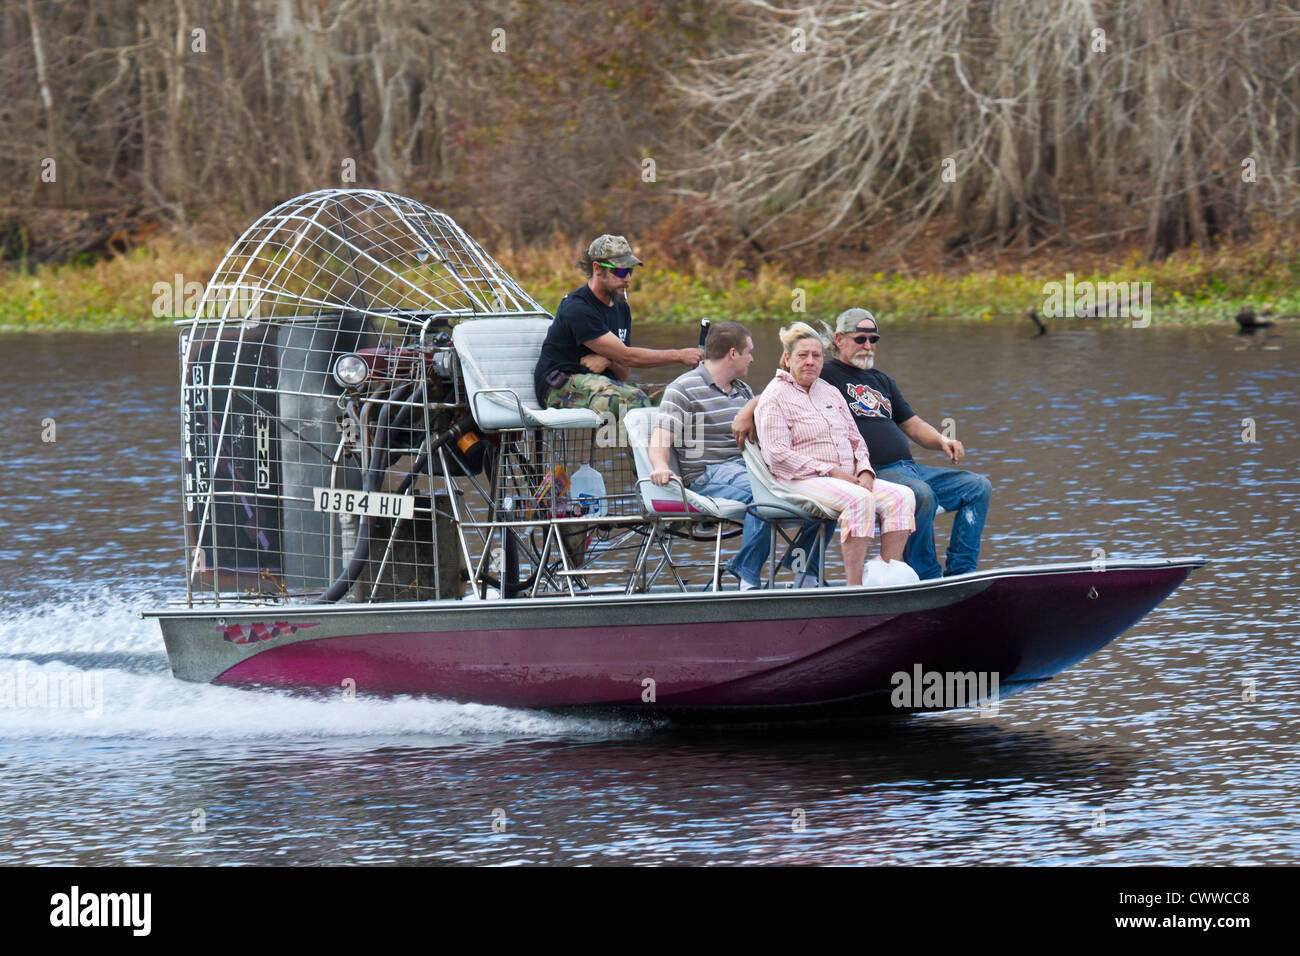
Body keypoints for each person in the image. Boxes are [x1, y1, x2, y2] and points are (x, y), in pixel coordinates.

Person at [647, 321, 827, 590]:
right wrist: (661, 466)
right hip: (709, 475)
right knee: (765, 496)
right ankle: (747, 578)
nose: (753, 358)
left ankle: (807, 573)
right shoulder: (682, 389)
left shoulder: (741, 390)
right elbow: (661, 436)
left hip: (749, 469)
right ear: (733, 353)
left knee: (823, 492)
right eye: (749, 352)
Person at [819, 307, 992, 579]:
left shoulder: (881, 380)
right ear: (839, 340)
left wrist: (942, 440)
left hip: (908, 468)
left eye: (873, 339)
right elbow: (786, 384)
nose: (867, 345)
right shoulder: (825, 373)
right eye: (860, 339)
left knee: (977, 487)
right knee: (920, 494)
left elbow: (912, 424)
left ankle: (961, 573)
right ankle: (926, 576)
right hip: (873, 473)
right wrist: (749, 410)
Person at [754, 322, 916, 587]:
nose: (810, 362)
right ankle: (854, 588)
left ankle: (887, 580)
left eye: (816, 355)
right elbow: (776, 454)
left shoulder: (829, 392)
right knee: (860, 499)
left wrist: (864, 469)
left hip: (845, 478)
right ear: (787, 358)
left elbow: (855, 439)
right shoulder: (775, 396)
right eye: (802, 355)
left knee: (902, 495)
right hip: (797, 479)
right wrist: (829, 470)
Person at [533, 234, 703, 422]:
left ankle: (667, 452)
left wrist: (608, 361)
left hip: (606, 385)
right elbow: (627, 356)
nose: (628, 279)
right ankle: (636, 451)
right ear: (598, 269)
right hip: (559, 387)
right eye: (620, 272)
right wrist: (680, 355)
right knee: (630, 401)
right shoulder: (577, 308)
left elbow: (623, 372)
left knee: (677, 399)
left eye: (630, 271)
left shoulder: (621, 307)